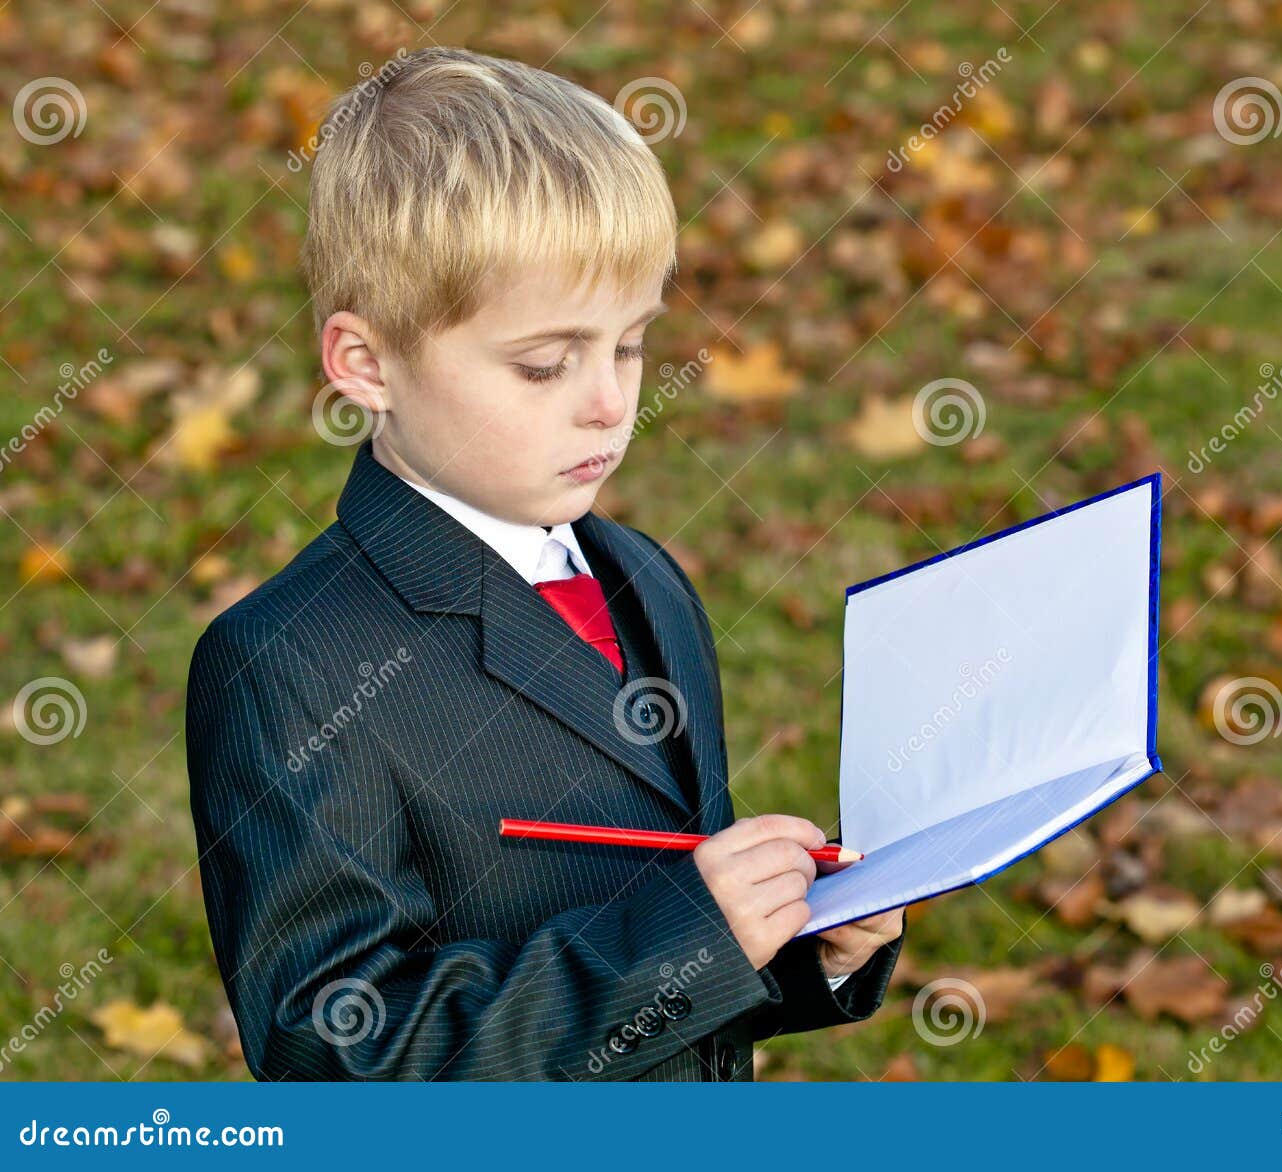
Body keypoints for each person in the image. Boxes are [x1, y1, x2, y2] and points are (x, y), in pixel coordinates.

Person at [185, 46, 904, 1081]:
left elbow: (682, 969)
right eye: (542, 363)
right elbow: (338, 1060)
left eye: (630, 344)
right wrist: (680, 944)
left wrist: (804, 944)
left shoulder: (641, 575)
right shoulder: (288, 666)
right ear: (366, 363)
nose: (609, 401)